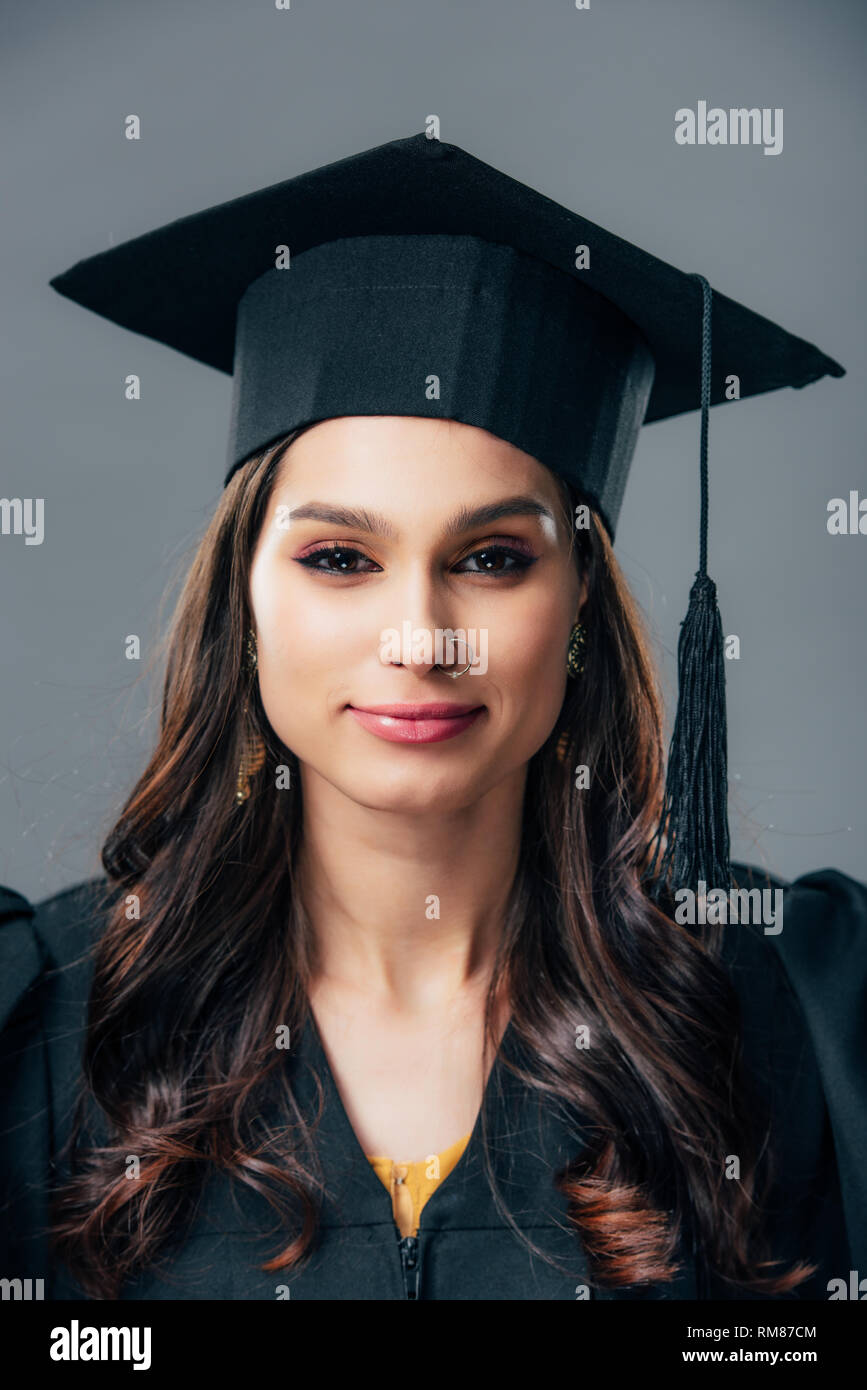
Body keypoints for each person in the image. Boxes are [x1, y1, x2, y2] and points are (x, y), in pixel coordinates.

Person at [1, 131, 864, 1301]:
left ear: (579, 611)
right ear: (242, 602)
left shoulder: (784, 1017)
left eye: (495, 557)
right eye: (341, 557)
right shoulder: (51, 1026)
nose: (420, 635)